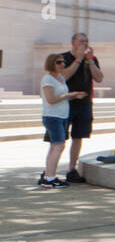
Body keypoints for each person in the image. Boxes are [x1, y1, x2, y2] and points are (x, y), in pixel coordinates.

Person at [55, 32, 103, 182]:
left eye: (86, 41)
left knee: (78, 137)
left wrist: (90, 62)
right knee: (59, 139)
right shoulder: (62, 58)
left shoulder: (92, 59)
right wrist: (79, 59)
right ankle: (50, 171)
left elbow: (99, 78)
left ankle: (71, 169)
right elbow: (64, 76)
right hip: (65, 104)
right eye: (81, 41)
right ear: (73, 42)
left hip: (84, 104)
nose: (84, 43)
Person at [39, 53, 85, 187]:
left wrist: (74, 95)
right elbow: (51, 99)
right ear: (51, 64)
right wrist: (68, 95)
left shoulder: (60, 78)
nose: (62, 64)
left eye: (63, 62)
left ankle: (48, 176)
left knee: (55, 146)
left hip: (62, 116)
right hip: (52, 117)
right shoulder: (48, 79)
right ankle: (50, 178)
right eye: (58, 62)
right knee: (59, 145)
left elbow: (62, 96)